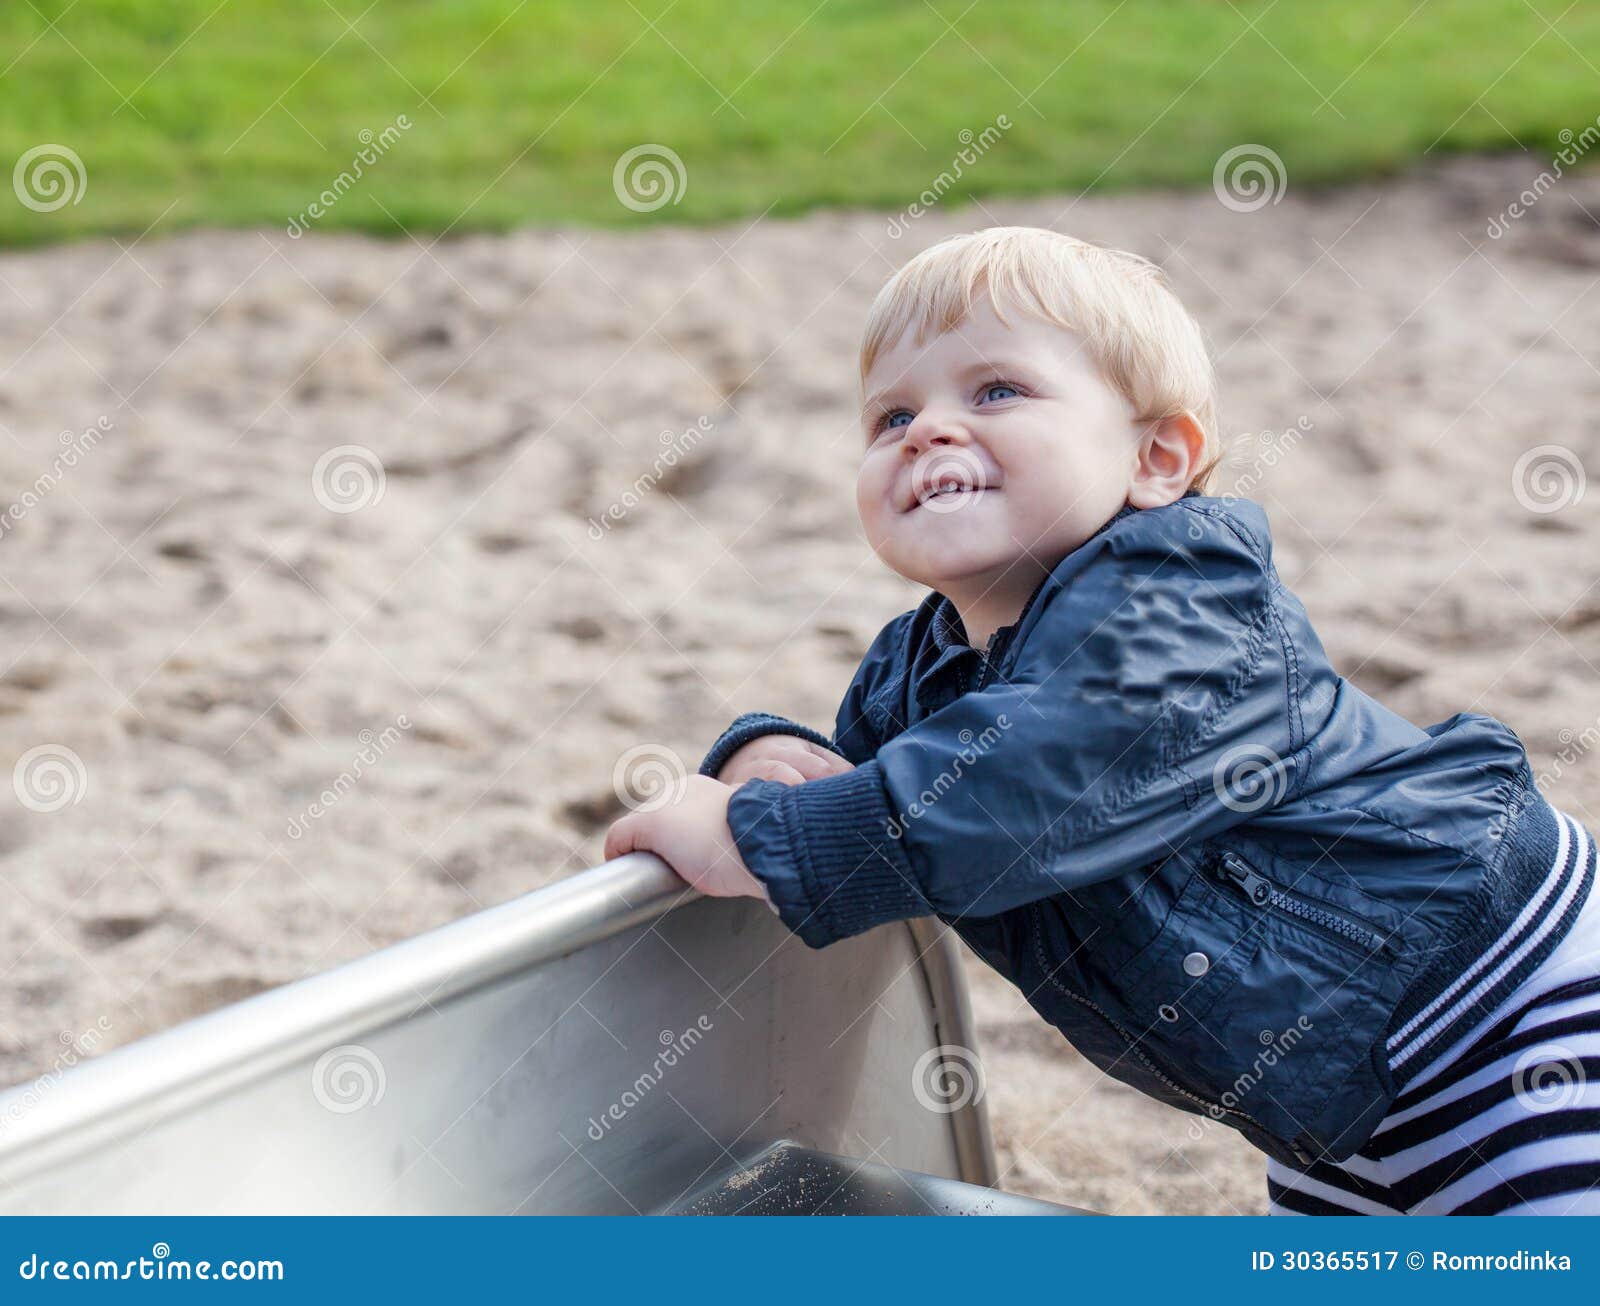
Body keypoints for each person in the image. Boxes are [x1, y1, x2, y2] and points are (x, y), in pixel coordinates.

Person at [604, 226, 1599, 1214]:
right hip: (1332, 1096)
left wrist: (764, 835)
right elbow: (866, 816)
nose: (927, 429)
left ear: (1157, 458)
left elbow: (1035, 778)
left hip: (1506, 1004)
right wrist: (768, 760)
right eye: (889, 414)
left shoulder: (1185, 598)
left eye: (995, 391)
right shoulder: (909, 675)